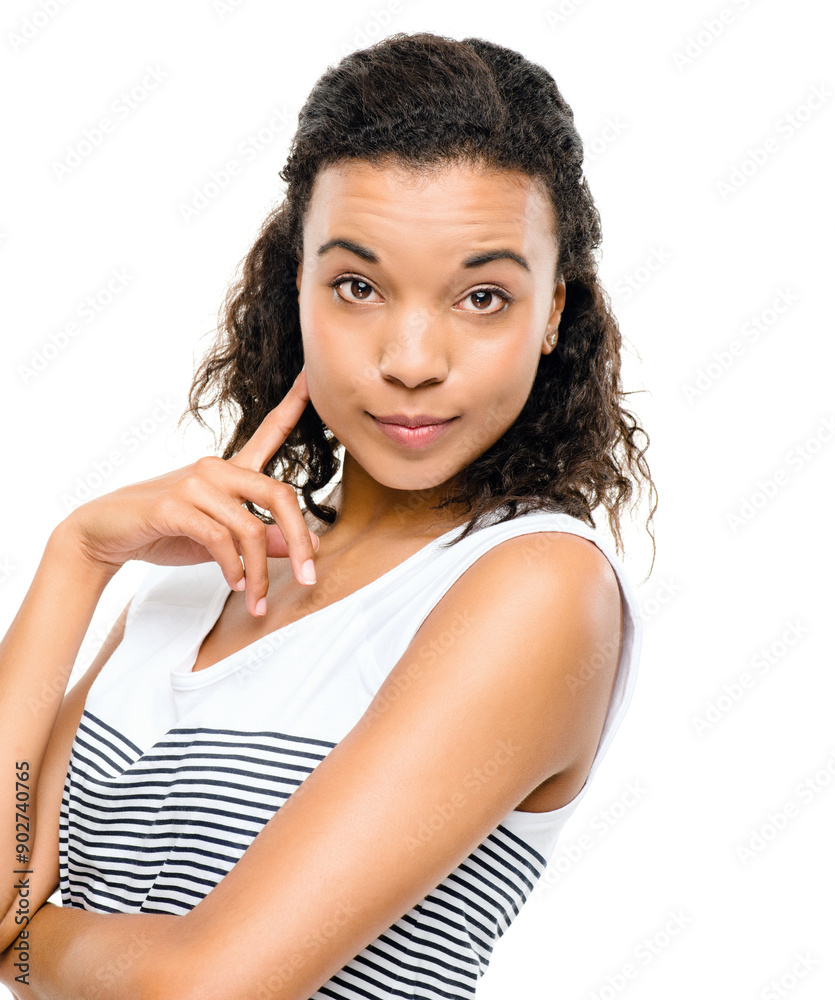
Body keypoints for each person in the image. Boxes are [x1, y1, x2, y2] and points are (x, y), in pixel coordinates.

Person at [0, 31, 655, 1000]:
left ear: (552, 312)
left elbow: (203, 992)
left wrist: (16, 945)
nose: (412, 357)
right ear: (294, 286)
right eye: (358, 285)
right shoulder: (191, 580)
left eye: (482, 296)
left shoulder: (537, 588)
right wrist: (78, 556)